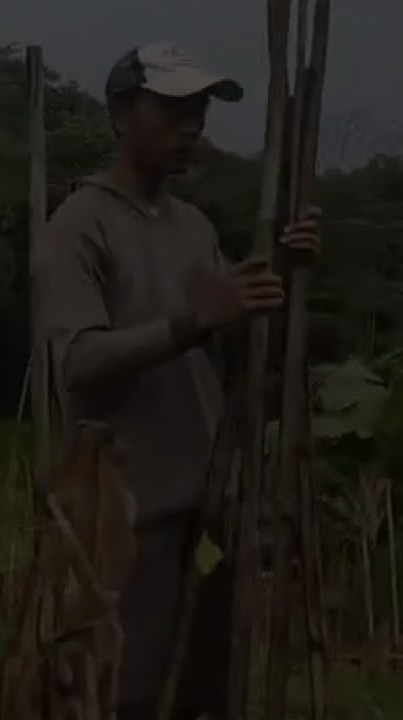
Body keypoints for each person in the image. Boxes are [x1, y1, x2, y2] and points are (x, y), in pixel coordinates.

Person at [32, 43, 321, 720]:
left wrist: (283, 264)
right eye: (172, 107)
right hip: (130, 511)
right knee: (127, 693)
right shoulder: (80, 226)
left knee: (203, 687)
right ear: (121, 114)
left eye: (198, 110)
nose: (190, 124)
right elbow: (77, 362)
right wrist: (192, 321)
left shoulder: (192, 225)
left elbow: (227, 320)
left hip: (208, 501)